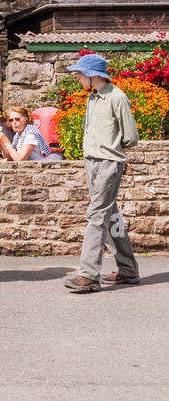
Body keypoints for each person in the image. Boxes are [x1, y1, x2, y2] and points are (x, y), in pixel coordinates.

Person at [63, 54, 140, 293]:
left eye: (79, 73)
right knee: (111, 215)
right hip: (92, 162)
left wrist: (111, 151)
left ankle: (88, 275)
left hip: (108, 163)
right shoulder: (93, 97)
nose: (77, 77)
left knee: (97, 215)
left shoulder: (117, 97)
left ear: (93, 75)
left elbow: (131, 137)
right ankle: (128, 270)